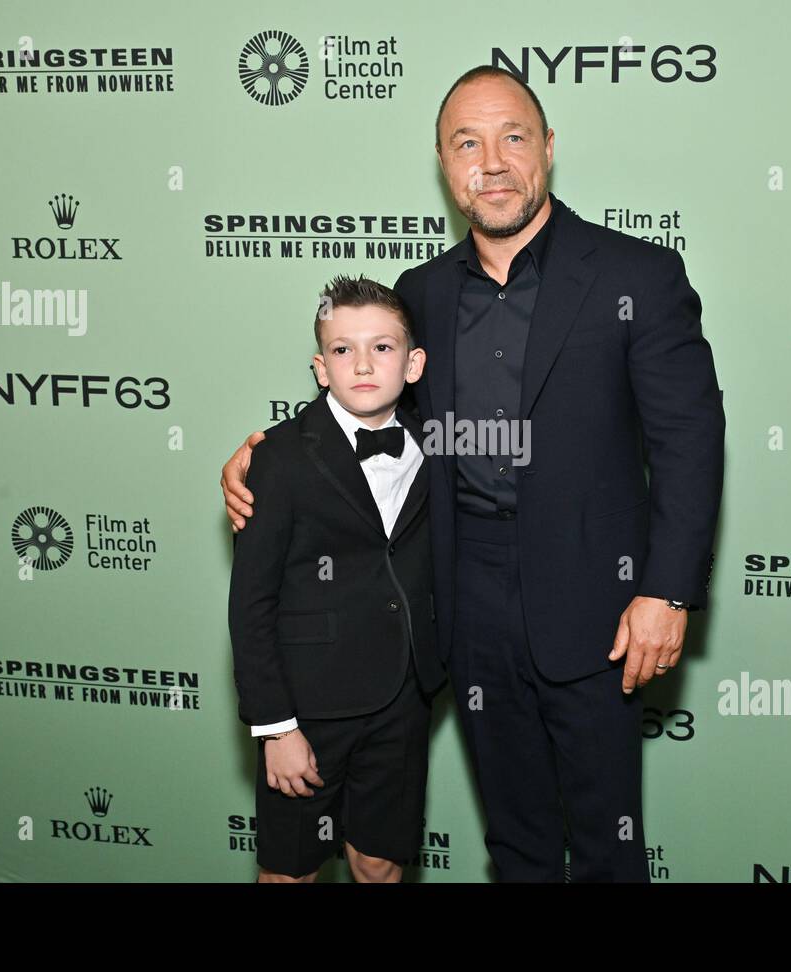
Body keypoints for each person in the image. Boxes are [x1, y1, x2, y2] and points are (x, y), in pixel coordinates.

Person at [223, 66, 724, 882]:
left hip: (602, 604)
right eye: (467, 144)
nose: (491, 162)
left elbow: (690, 442)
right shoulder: (419, 294)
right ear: (444, 165)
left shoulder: (638, 276)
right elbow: (368, 412)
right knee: (515, 841)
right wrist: (261, 455)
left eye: (512, 137)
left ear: (549, 150)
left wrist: (666, 592)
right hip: (461, 603)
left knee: (608, 843)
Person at [228, 273, 445, 883]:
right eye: (344, 350)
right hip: (308, 704)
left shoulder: (442, 444)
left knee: (379, 864)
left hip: (404, 695)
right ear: (321, 368)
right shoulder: (278, 456)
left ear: (414, 362)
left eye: (383, 347)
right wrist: (275, 728)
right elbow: (251, 603)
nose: (364, 364)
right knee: (290, 871)